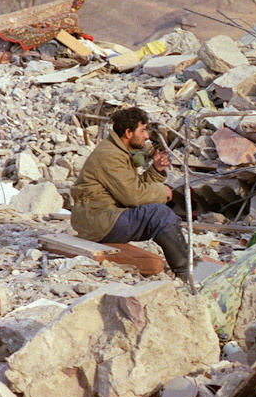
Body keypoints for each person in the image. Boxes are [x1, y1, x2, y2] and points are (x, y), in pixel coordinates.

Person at [70, 108, 190, 282]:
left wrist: (155, 171)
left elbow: (132, 187)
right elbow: (133, 197)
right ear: (128, 133)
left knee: (157, 212)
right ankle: (186, 273)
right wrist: (161, 192)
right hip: (98, 220)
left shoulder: (117, 151)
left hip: (102, 216)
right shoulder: (110, 156)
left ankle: (189, 261)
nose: (147, 136)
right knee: (159, 214)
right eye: (142, 131)